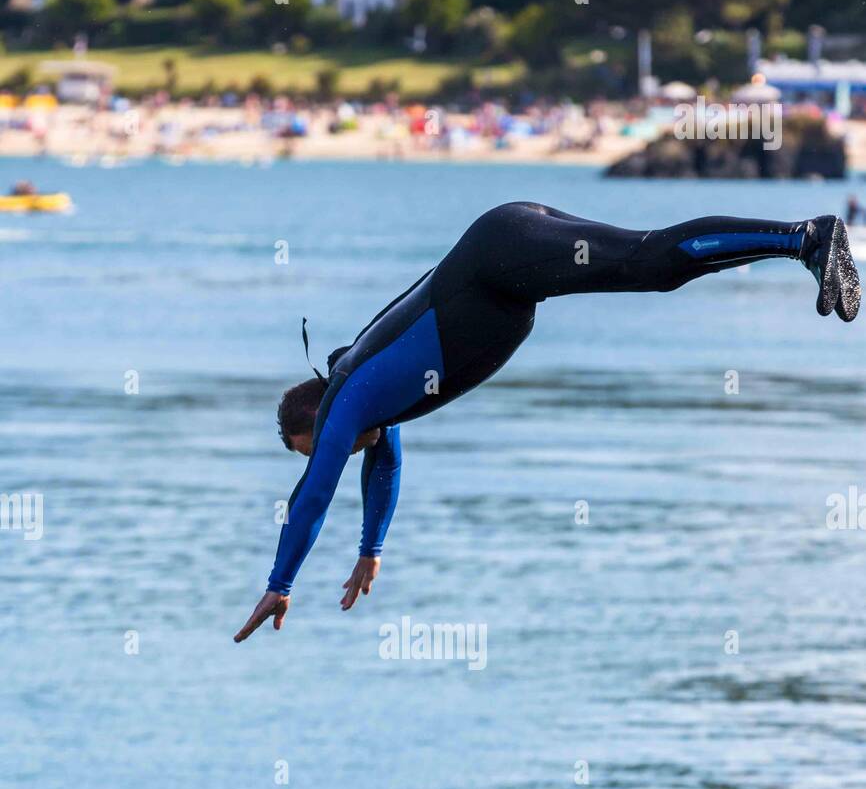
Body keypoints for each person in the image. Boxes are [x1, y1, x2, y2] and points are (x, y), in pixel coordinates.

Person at [235, 203, 860, 643]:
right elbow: (386, 464)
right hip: (505, 255)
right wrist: (371, 550)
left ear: (320, 414)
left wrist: (279, 582)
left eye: (322, 447)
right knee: (654, 270)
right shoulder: (371, 400)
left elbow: (315, 493)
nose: (337, 455)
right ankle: (802, 242)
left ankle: (806, 237)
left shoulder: (348, 398)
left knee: (650, 262)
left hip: (498, 259)